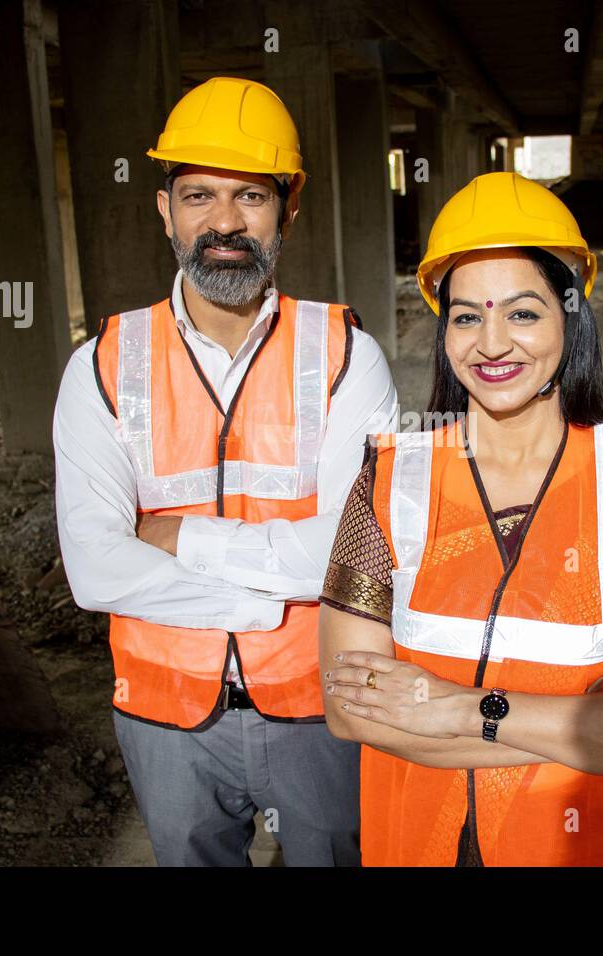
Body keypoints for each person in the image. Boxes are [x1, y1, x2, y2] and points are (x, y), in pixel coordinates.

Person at [318, 171, 603, 866]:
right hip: (417, 845)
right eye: (467, 315)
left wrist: (456, 707)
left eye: (523, 314)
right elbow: (349, 708)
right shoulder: (389, 481)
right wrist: (590, 719)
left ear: (572, 318)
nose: (491, 344)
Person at [54, 76, 397, 866]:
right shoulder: (104, 366)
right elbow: (96, 572)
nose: (225, 223)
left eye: (250, 196)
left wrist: (176, 537)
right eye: (199, 195)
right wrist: (271, 598)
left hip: (322, 705)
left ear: (289, 210)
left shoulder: (347, 356)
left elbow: (353, 554)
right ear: (164, 211)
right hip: (166, 718)